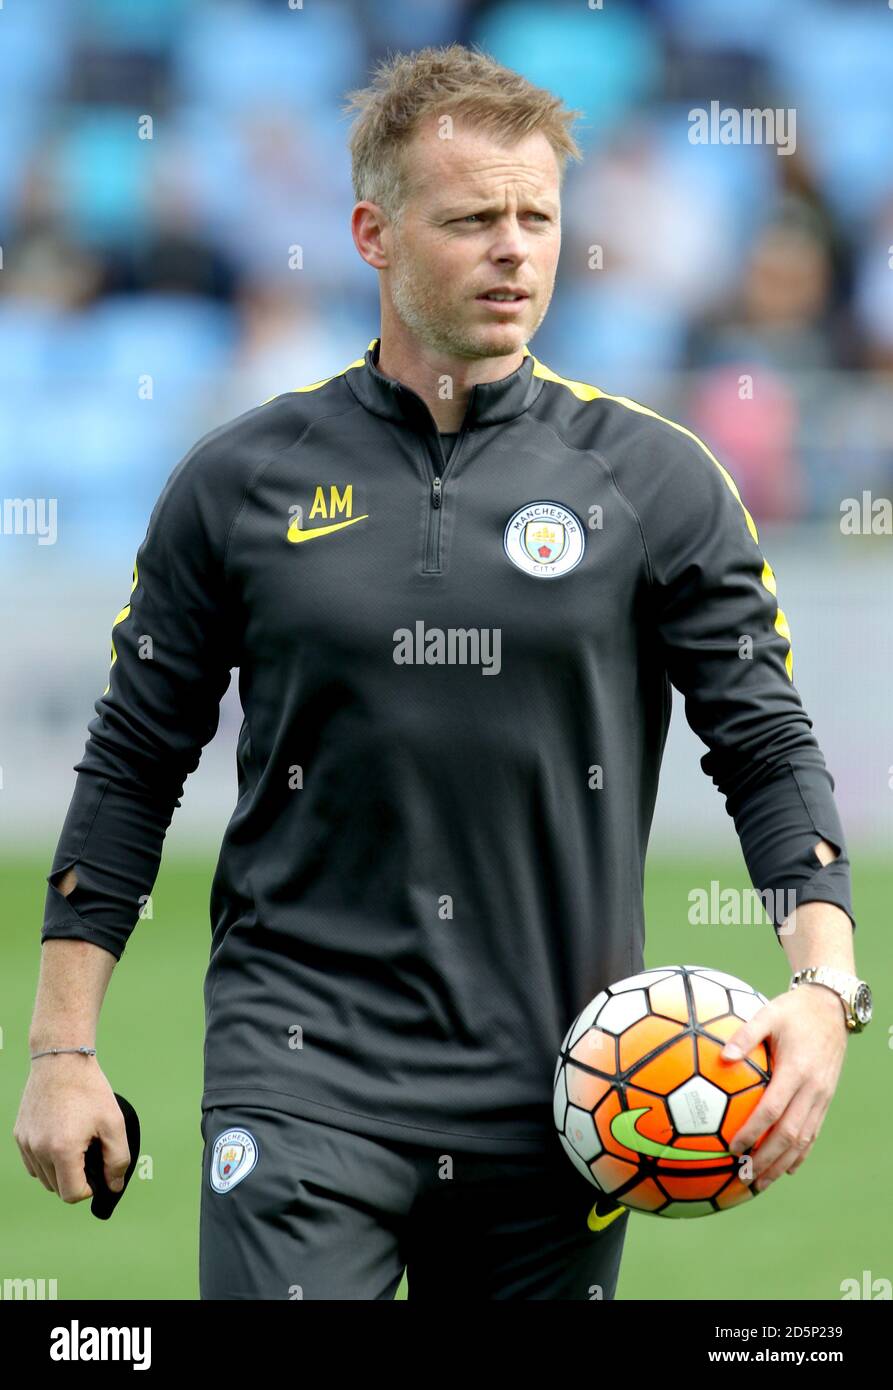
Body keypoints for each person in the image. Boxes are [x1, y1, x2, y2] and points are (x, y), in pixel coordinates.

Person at [14, 43, 868, 1300]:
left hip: (566, 1092)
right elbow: (132, 765)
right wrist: (60, 1050)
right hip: (298, 1073)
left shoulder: (653, 478)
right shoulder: (239, 480)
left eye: (536, 216)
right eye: (472, 218)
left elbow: (766, 745)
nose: (515, 249)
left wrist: (823, 984)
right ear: (372, 231)